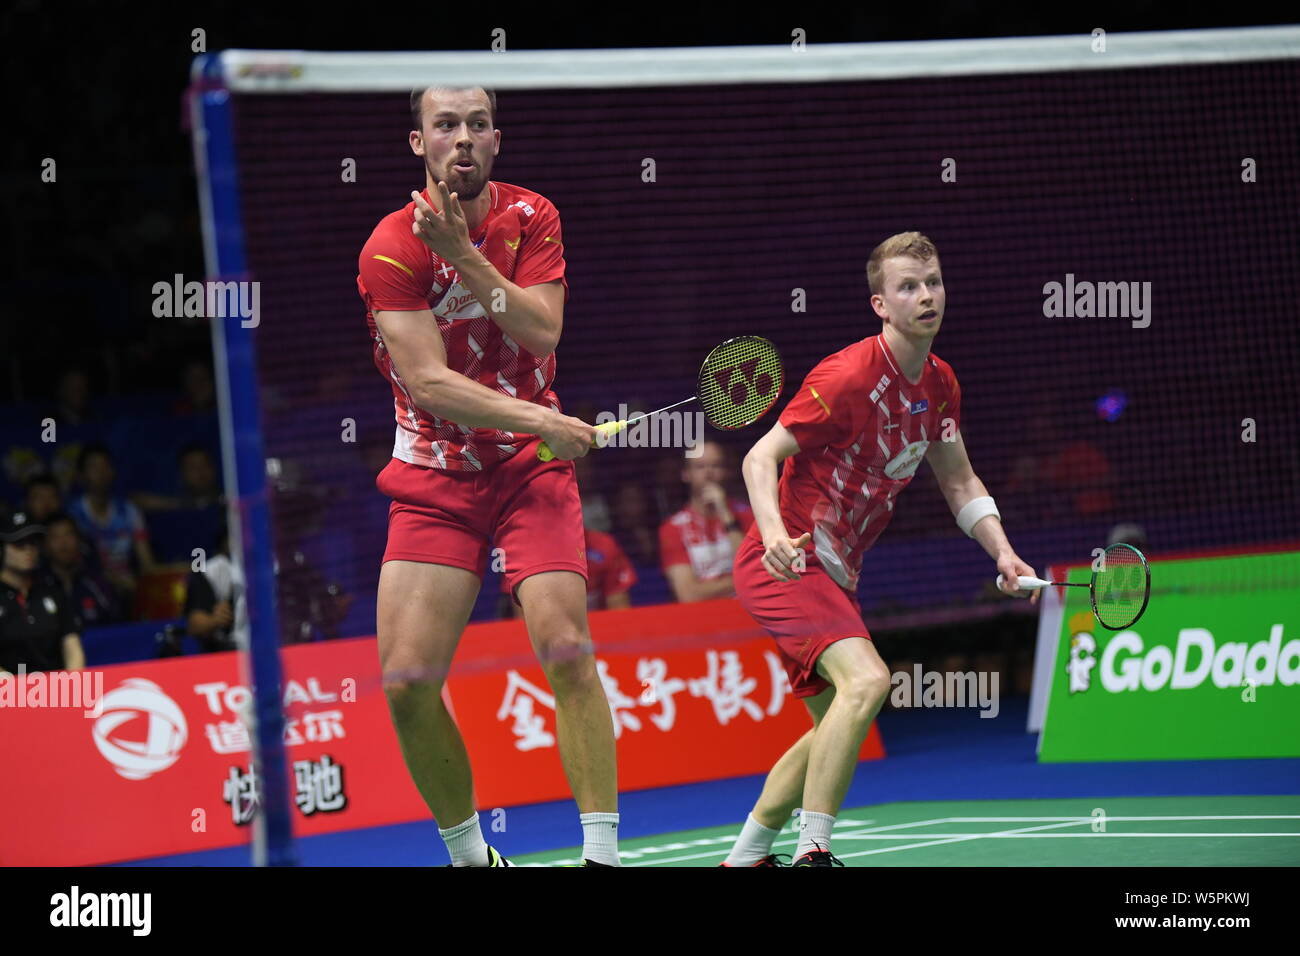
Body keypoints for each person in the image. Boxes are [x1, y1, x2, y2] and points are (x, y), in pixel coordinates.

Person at [356, 85, 619, 867]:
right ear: (419, 144)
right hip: (436, 472)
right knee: (405, 679)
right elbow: (430, 383)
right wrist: (542, 420)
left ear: (496, 140)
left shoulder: (534, 218)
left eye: (476, 125)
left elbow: (540, 332)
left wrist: (466, 254)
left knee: (567, 647)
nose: (462, 140)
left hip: (528, 472)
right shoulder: (389, 247)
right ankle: (472, 857)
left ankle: (602, 856)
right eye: (446, 127)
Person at [722, 232, 1040, 867]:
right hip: (786, 560)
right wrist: (778, 537)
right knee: (869, 680)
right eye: (908, 287)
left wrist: (1001, 552)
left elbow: (958, 479)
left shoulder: (942, 385)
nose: (926, 296)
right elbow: (760, 457)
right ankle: (814, 854)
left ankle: (745, 859)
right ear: (880, 305)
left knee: (828, 730)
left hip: (838, 573)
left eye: (933, 282)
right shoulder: (847, 376)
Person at [659, 441, 754, 603]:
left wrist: (725, 514)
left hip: (748, 611)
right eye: (700, 467)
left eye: (716, 466)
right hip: (702, 619)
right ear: (685, 474)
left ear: (726, 471)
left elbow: (754, 571)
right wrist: (742, 582)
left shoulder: (748, 515)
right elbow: (688, 595)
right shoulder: (673, 528)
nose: (709, 473)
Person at [66, 442, 157, 608]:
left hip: (129, 590)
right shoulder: (72, 515)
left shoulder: (129, 512)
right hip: (88, 589)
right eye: (94, 467)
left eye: (105, 466)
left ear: (113, 472)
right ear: (81, 475)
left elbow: (147, 563)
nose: (101, 473)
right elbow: (72, 566)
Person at [0, 512, 85, 678]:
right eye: (19, 544)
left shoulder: (52, 590)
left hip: (56, 692)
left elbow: (71, 643)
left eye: (33, 543)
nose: (28, 550)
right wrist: (13, 689)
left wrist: (73, 682)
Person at [41, 512, 120, 628]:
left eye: (68, 535)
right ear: (45, 546)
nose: (63, 543)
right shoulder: (37, 585)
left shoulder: (97, 584)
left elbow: (116, 628)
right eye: (55, 537)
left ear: (79, 540)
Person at [183, 524, 246, 654]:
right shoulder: (212, 571)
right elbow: (194, 624)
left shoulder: (277, 567)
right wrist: (215, 620)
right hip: (232, 652)